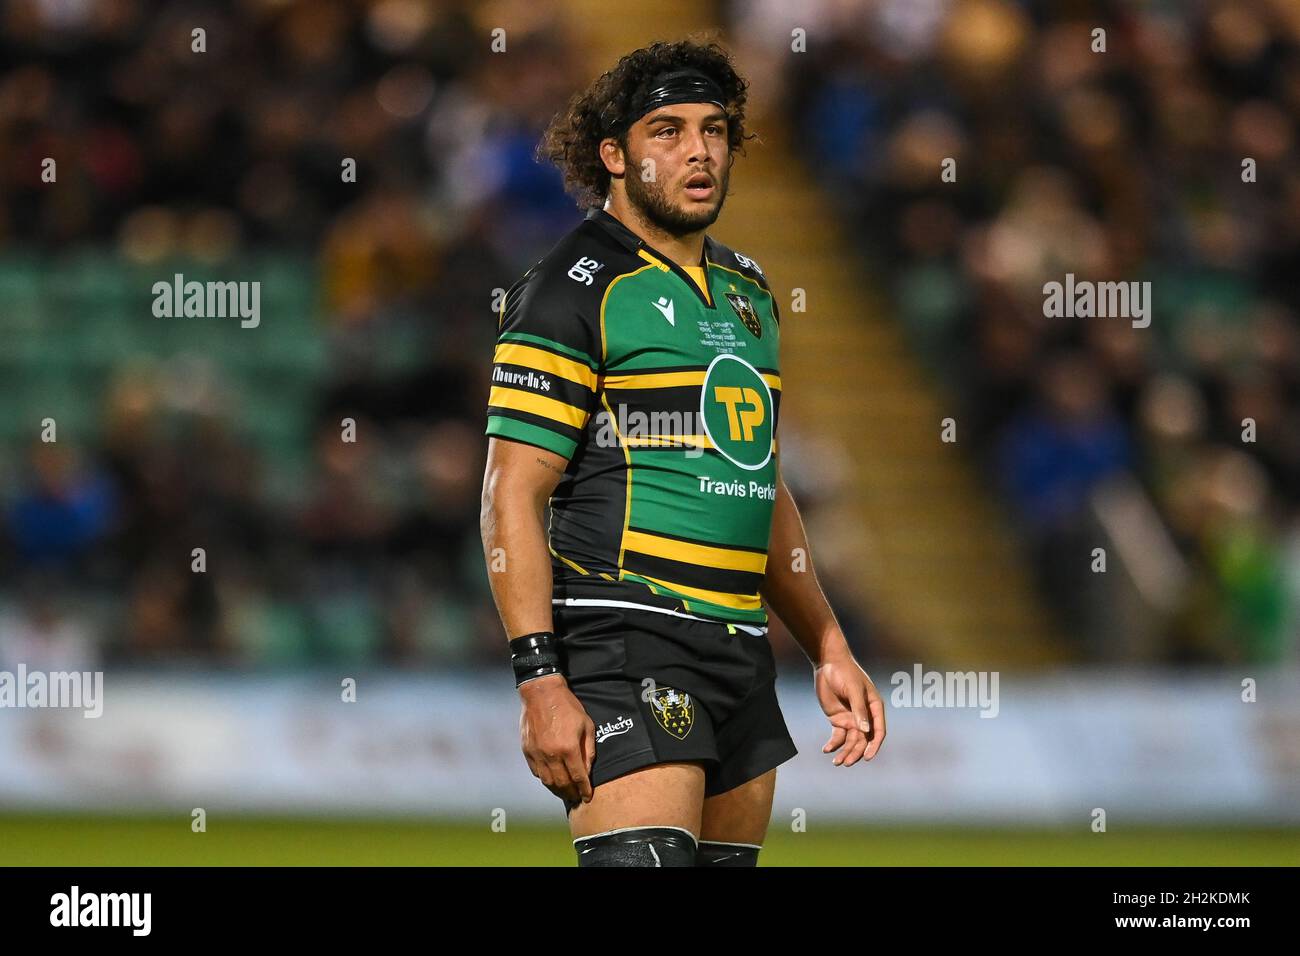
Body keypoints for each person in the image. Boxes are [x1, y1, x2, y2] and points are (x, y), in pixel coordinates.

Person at [480, 38, 885, 867]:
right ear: (614, 156)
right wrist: (539, 678)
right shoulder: (572, 287)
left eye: (714, 129)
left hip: (739, 650)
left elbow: (757, 482)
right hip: (624, 635)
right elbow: (508, 495)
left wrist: (829, 643)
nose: (697, 151)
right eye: (665, 130)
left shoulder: (750, 291)